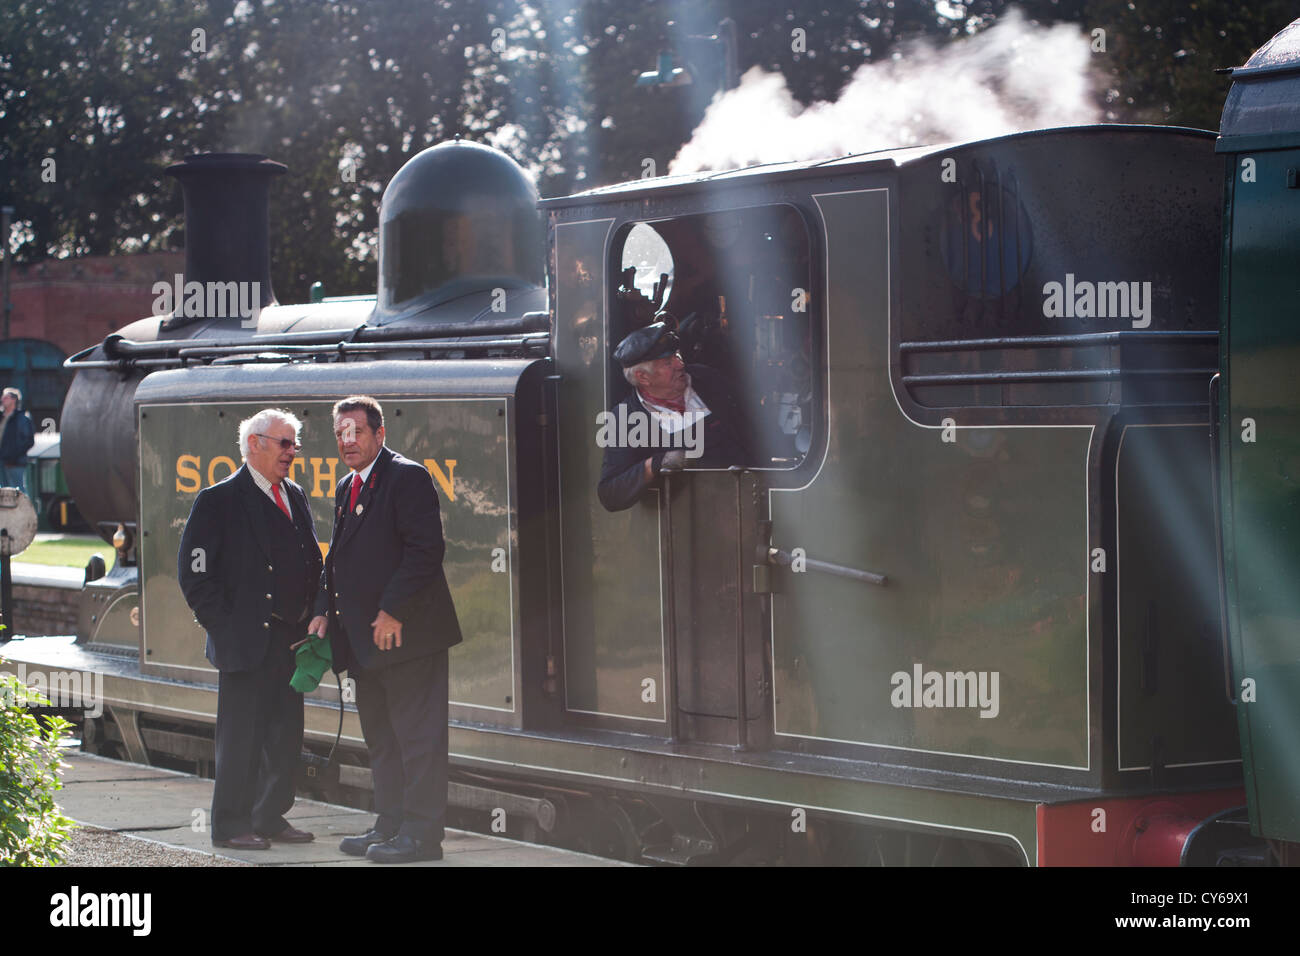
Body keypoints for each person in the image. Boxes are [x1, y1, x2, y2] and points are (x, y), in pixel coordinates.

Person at [308, 395, 462, 863]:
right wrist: (321, 609)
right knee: (382, 739)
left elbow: (425, 551)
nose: (347, 440)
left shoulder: (407, 477)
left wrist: (393, 609)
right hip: (364, 644)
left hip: (408, 640)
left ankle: (421, 837)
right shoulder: (345, 487)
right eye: (340, 433)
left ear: (380, 434)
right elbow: (335, 558)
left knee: (418, 741)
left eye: (356, 431)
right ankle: (389, 825)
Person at [177, 409, 321, 850]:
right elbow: (194, 572)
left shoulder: (294, 494)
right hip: (243, 641)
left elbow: (311, 560)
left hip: (290, 639)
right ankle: (230, 825)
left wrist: (317, 612)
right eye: (284, 443)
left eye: (295, 444)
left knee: (284, 737)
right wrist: (224, 628)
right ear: (255, 444)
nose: (292, 452)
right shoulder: (218, 499)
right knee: (240, 740)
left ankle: (269, 816)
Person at [597, 322, 751, 512]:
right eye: (668, 362)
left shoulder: (709, 380)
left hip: (743, 501)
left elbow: (753, 431)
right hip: (685, 522)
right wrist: (655, 463)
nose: (680, 364)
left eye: (677, 355)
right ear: (643, 377)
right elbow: (610, 494)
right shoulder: (624, 419)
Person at [0, 387, 36, 493]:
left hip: (14, 463)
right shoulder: (1, 417)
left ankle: (25, 510)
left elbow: (29, 441)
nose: (2, 399)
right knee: (4, 493)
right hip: (2, 461)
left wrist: (14, 456)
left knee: (18, 491)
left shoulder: (22, 418)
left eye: (6, 397)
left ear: (14, 400)